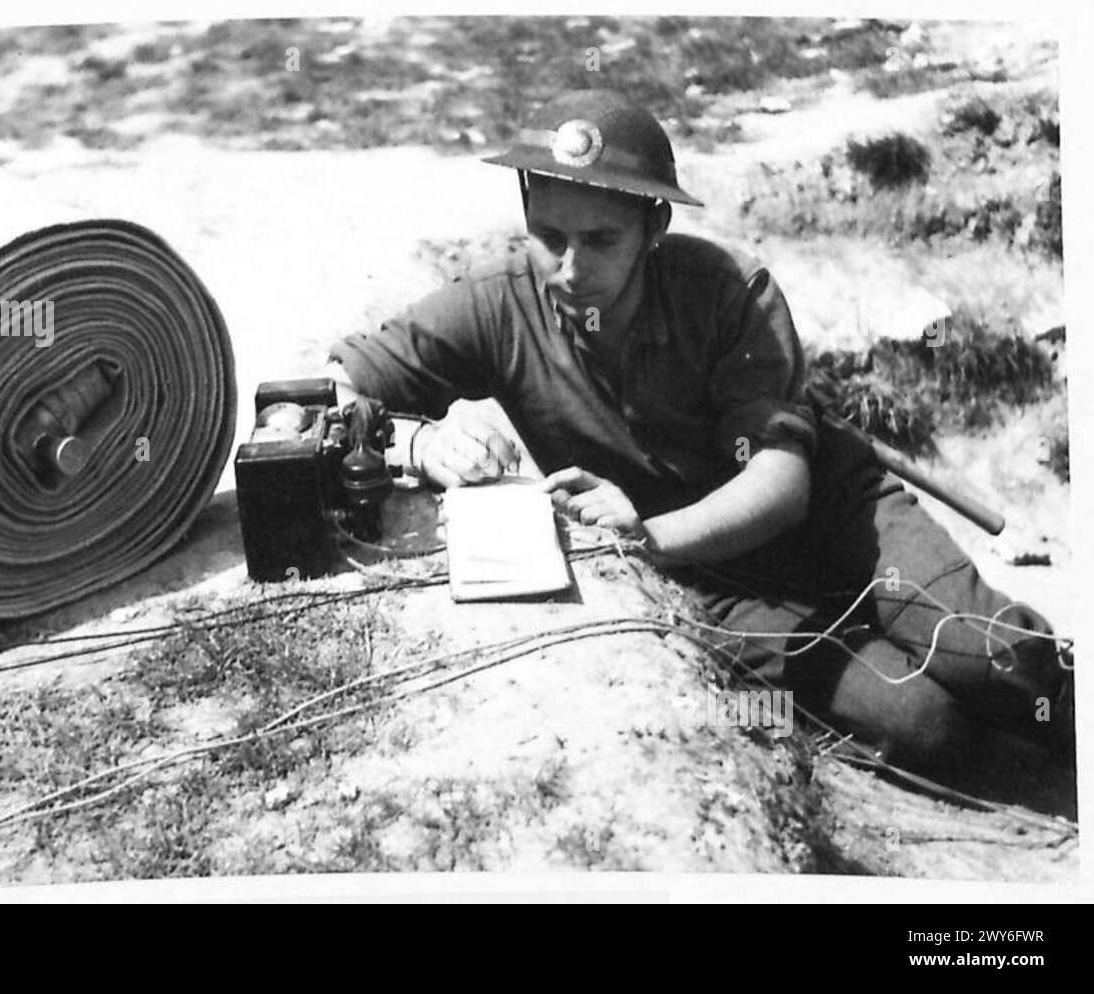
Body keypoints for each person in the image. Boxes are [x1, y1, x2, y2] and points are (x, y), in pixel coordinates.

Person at [322, 89, 1074, 779]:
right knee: (925, 726)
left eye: (601, 240)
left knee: (1005, 659)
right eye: (549, 236)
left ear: (656, 225)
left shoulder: (724, 290)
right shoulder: (495, 304)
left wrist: (646, 534)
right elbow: (328, 390)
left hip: (835, 522)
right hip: (714, 587)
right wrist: (414, 446)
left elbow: (782, 486)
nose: (569, 267)